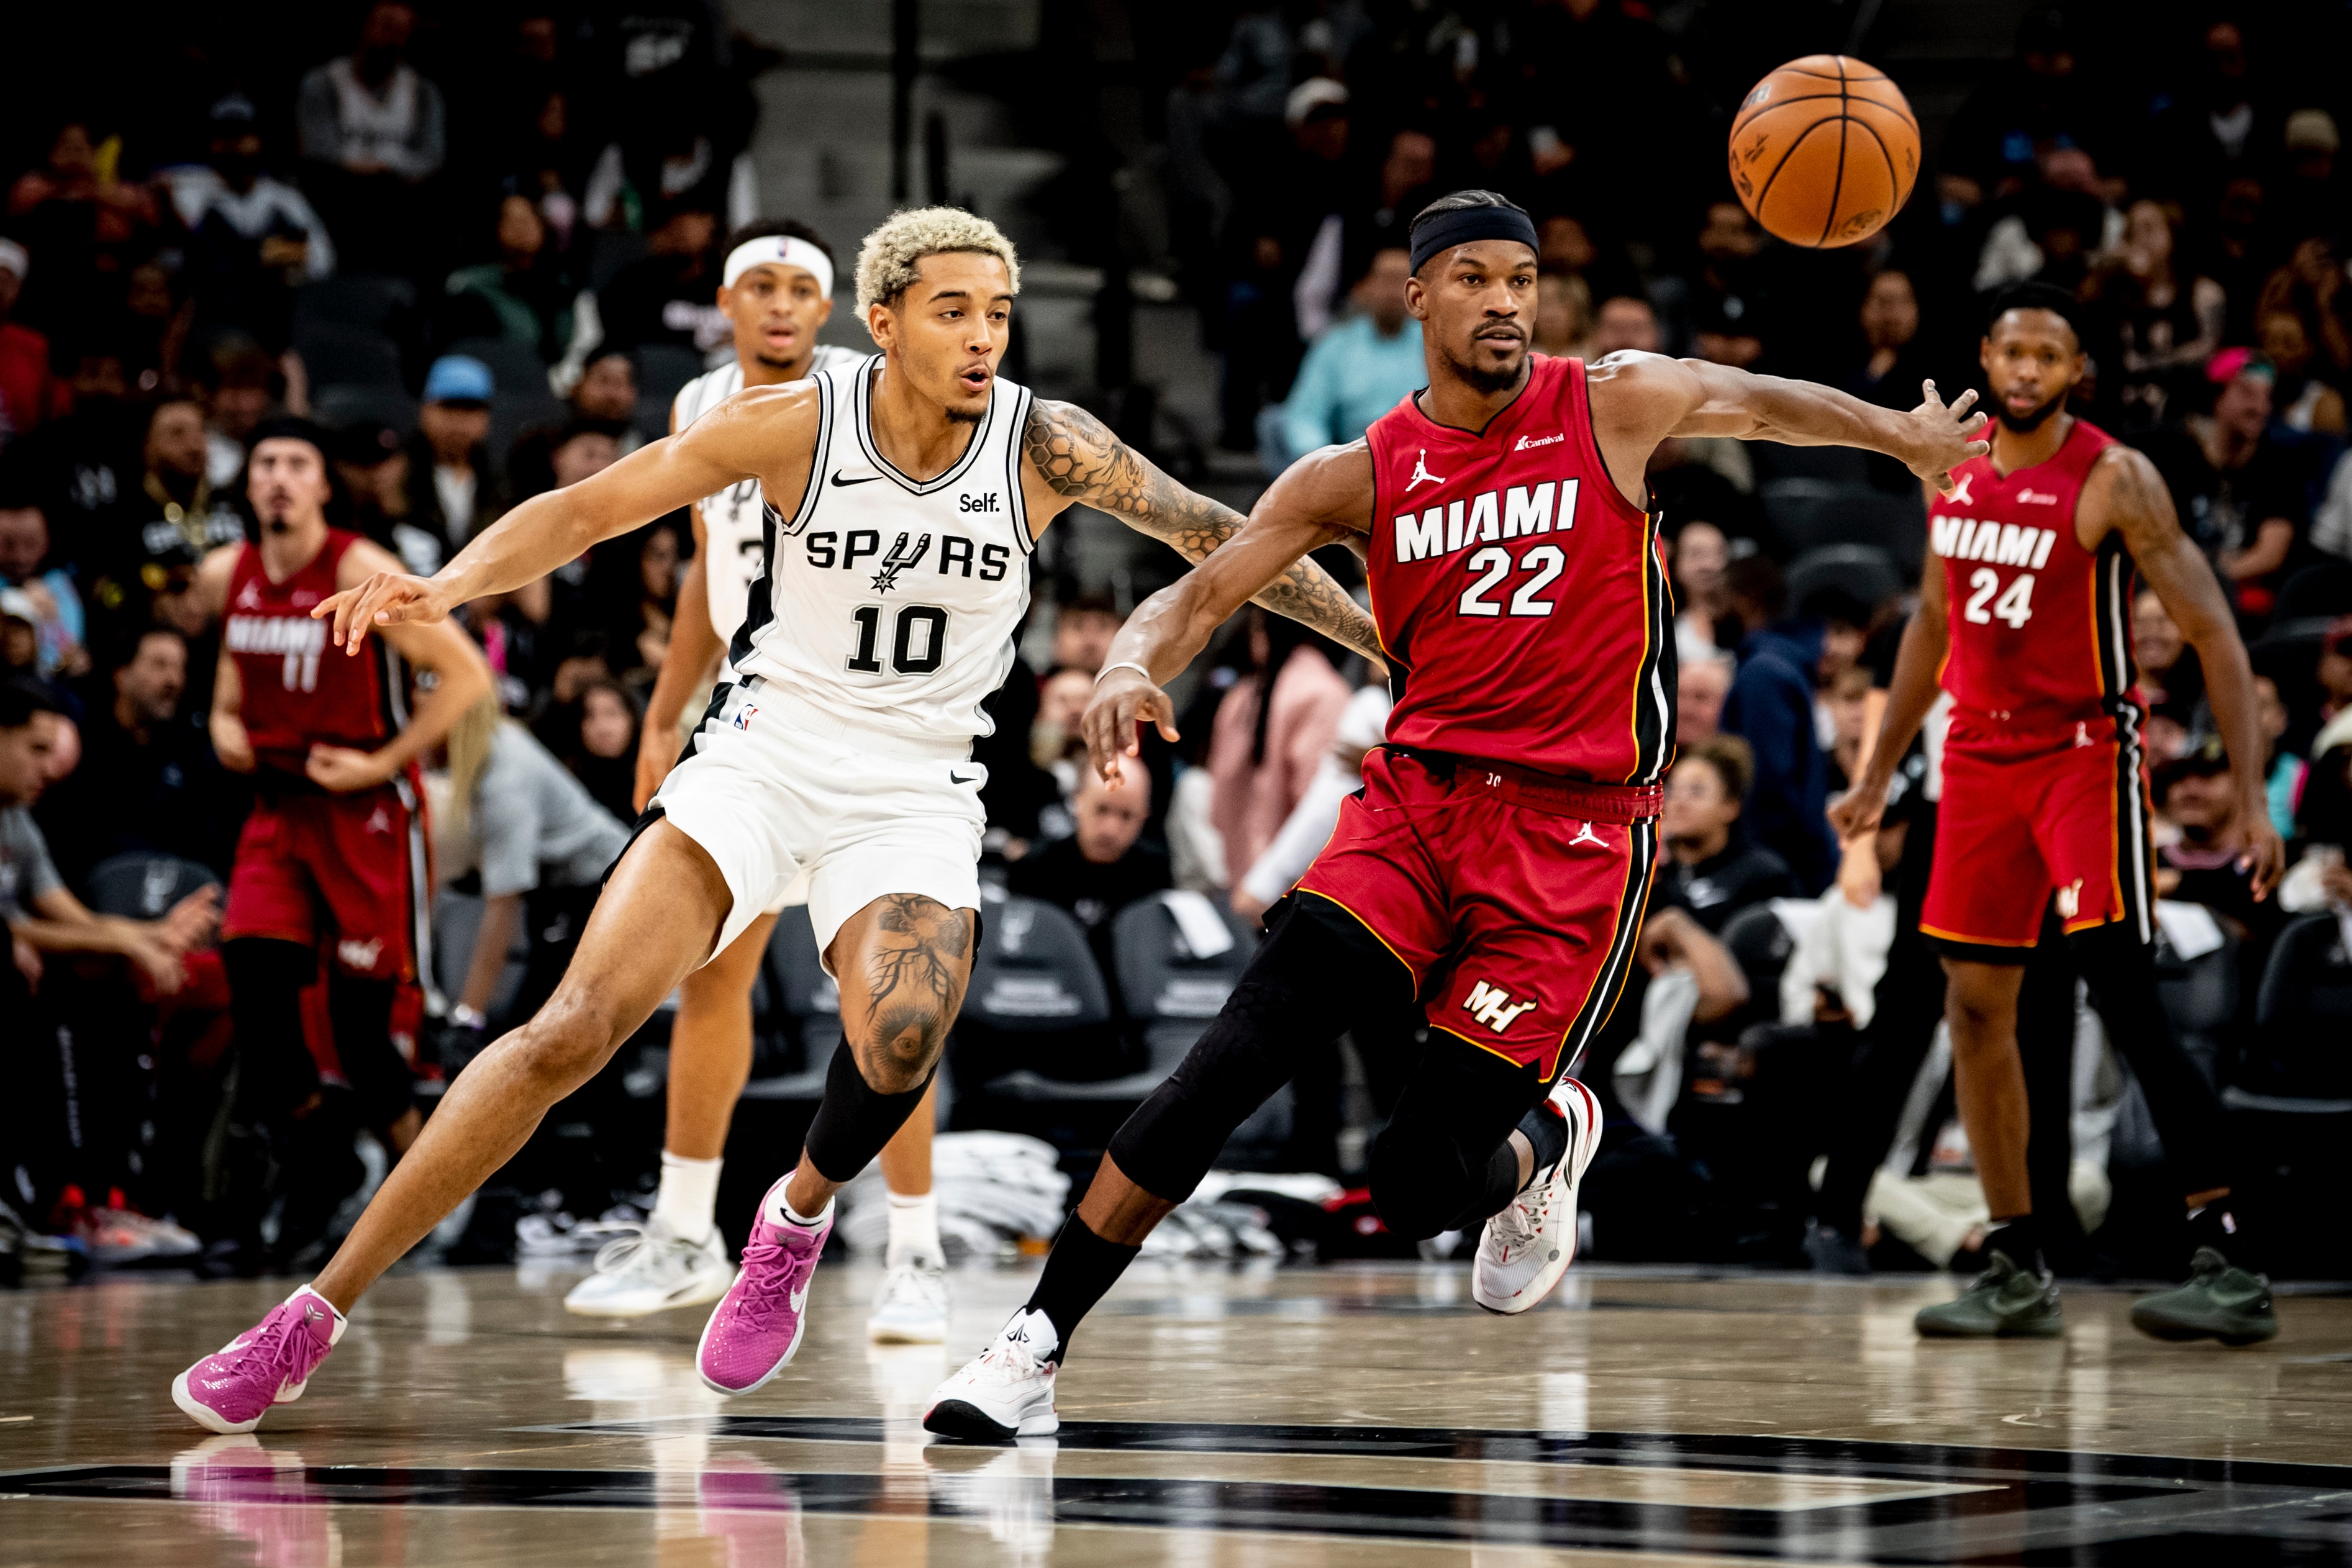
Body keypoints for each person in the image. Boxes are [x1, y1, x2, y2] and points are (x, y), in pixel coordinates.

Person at [170, 207, 1378, 1434]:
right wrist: (452, 581)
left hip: (915, 786)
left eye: (998, 314)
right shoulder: (799, 421)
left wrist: (1388, 640)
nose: (980, 338)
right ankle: (309, 1312)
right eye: (952, 310)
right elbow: (594, 506)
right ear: (886, 320)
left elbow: (1226, 538)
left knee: (904, 1035)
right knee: (570, 1028)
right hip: (766, 757)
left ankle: (792, 1214)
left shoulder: (1045, 445)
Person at [920, 188, 1989, 1441]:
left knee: (1418, 1179)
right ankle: (1034, 1340)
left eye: (1522, 279)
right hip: (1414, 812)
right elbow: (1201, 589)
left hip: (1574, 839)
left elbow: (1756, 398)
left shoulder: (1611, 401)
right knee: (1219, 1071)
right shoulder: (1359, 470)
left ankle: (1550, 1131)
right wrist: (1127, 661)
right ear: (1418, 297)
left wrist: (1901, 436)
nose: (1504, 301)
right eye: (1474, 278)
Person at [1831, 281, 2287, 1346]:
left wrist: (2257, 799)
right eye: (2012, 351)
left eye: (2050, 355)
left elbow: (2214, 631)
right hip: (1979, 758)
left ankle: (2227, 1251)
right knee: (1972, 1005)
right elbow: (1930, 630)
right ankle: (2013, 1257)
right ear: (1985, 358)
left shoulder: (2114, 477)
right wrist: (1876, 768)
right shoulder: (1950, 465)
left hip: (2082, 752)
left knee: (2123, 992)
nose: (2028, 370)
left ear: (2077, 370)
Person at [574, 219, 876, 1327]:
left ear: (830, 306)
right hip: (753, 720)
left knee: (886, 990)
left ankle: (914, 1244)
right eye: (764, 286)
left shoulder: (867, 390)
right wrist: (666, 709)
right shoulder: (697, 406)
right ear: (726, 302)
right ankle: (683, 1231)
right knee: (713, 975)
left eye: (805, 285)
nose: (784, 304)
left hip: (866, 720)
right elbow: (708, 565)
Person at [191, 419, 493, 1269]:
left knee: (365, 1036)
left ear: (324, 486)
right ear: (247, 486)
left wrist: (383, 763)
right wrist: (222, 723)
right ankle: (325, 1159)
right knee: (255, 989)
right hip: (278, 812)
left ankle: (428, 1178)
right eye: (265, 465)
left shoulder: (356, 567)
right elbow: (230, 679)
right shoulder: (232, 574)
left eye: (297, 465)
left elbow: (465, 675)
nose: (280, 479)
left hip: (362, 816)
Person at [437, 696, 631, 1045]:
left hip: (601, 884)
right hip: (562, 885)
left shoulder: (505, 781)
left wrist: (468, 1013)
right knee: (538, 1023)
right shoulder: (498, 740)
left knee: (546, 1028)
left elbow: (504, 905)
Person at [33, 628, 234, 892]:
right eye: (159, 665)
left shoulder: (191, 752)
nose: (174, 680)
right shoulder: (83, 748)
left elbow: (209, 843)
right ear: (122, 676)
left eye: (180, 668)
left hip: (177, 896)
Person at [1007, 763, 1171, 983]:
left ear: (1144, 817)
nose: (1110, 829)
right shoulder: (1035, 867)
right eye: (1101, 810)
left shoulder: (1154, 871)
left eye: (1127, 816)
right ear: (1077, 802)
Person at [1273, 247, 1425, 469]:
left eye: (1403, 281)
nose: (1394, 291)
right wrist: (1326, 465)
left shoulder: (1437, 346)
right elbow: (1305, 417)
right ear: (1364, 287)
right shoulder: (1336, 345)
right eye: (1386, 280)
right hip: (1351, 468)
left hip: (1422, 467)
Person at [1655, 735, 1793, 933]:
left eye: (1696, 791)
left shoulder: (1764, 876)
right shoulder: (1653, 871)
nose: (1679, 802)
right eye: (1672, 789)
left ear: (1731, 806)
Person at [407, 356, 499, 558]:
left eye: (470, 409)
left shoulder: (502, 487)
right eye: (449, 407)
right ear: (425, 411)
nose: (459, 420)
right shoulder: (398, 477)